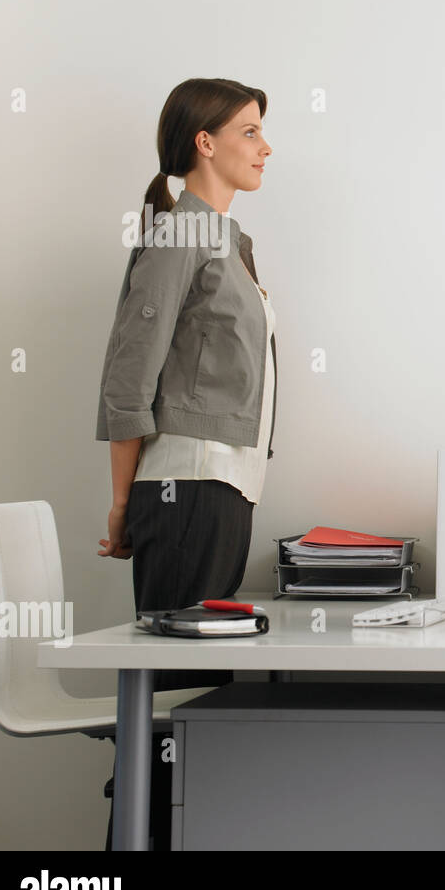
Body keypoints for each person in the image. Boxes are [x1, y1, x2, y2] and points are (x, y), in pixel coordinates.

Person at [94, 77, 276, 848]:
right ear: (205, 142)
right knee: (170, 713)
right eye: (249, 131)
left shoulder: (229, 242)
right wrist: (122, 501)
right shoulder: (178, 235)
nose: (265, 147)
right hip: (187, 484)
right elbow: (128, 376)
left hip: (224, 487)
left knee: (195, 711)